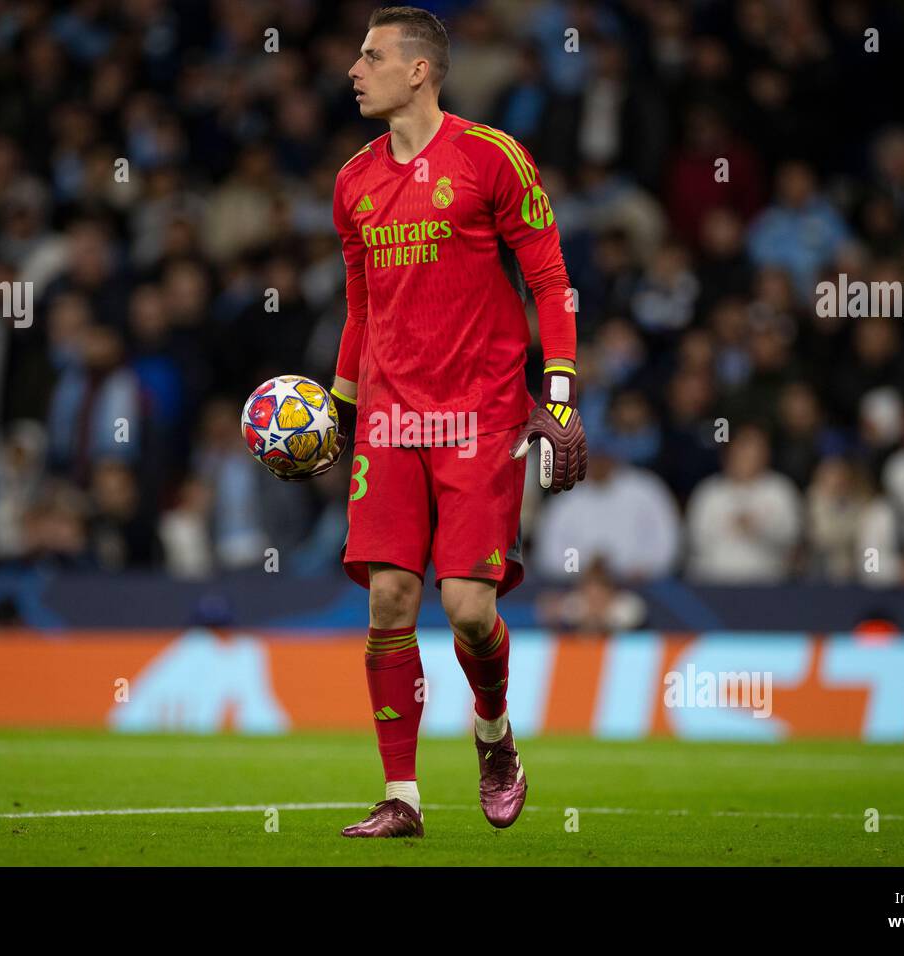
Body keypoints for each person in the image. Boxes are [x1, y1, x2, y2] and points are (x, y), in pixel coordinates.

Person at [285, 6, 587, 838]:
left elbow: (551, 280)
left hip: (481, 414)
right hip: (386, 417)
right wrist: (337, 410)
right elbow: (359, 306)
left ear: (419, 70)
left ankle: (493, 736)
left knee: (465, 609)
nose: (354, 69)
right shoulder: (352, 181)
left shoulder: (492, 157)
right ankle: (402, 797)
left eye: (372, 56)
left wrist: (557, 396)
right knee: (389, 595)